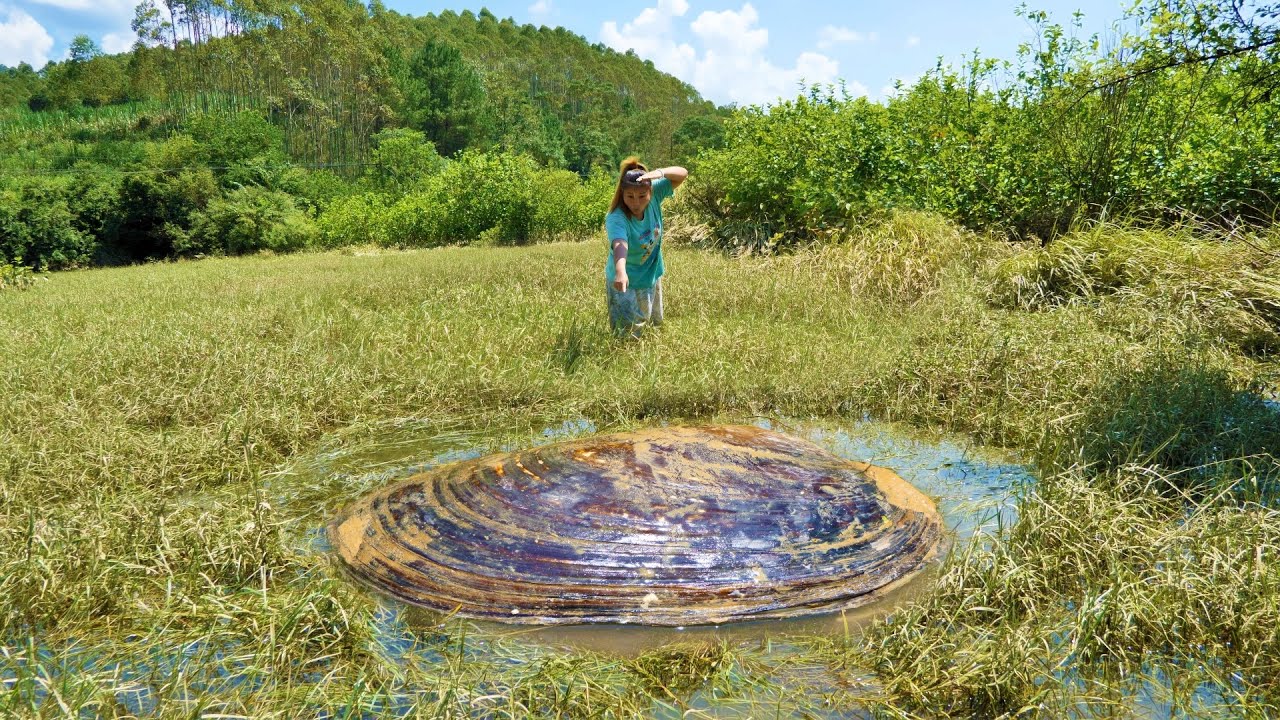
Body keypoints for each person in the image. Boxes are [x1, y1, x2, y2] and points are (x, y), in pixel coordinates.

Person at [605, 156, 688, 337]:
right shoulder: (616, 217)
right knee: (627, 333)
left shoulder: (656, 195)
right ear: (622, 194)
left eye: (642, 196)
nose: (636, 202)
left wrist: (658, 173)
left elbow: (682, 174)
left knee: (653, 325)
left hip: (650, 273)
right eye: (630, 196)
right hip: (625, 280)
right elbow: (620, 243)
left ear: (650, 192)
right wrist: (620, 271)